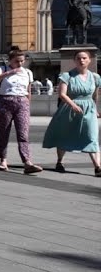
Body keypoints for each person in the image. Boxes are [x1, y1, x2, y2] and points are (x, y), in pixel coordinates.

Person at [41, 49, 100, 177]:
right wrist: (73, 105)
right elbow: (62, 94)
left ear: (89, 60)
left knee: (92, 135)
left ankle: (97, 166)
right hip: (69, 108)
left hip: (88, 108)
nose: (81, 60)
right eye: (78, 58)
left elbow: (95, 95)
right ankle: (59, 162)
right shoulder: (67, 76)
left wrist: (95, 109)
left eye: (84, 58)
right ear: (74, 60)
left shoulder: (95, 77)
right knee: (64, 135)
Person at [0, 46, 42, 174]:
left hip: (22, 102)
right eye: (17, 61)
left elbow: (29, 90)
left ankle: (27, 162)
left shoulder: (28, 72)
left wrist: (27, 104)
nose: (20, 63)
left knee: (23, 134)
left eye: (22, 61)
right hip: (5, 101)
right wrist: (9, 73)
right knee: (4, 132)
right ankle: (3, 160)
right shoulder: (2, 69)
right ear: (10, 60)